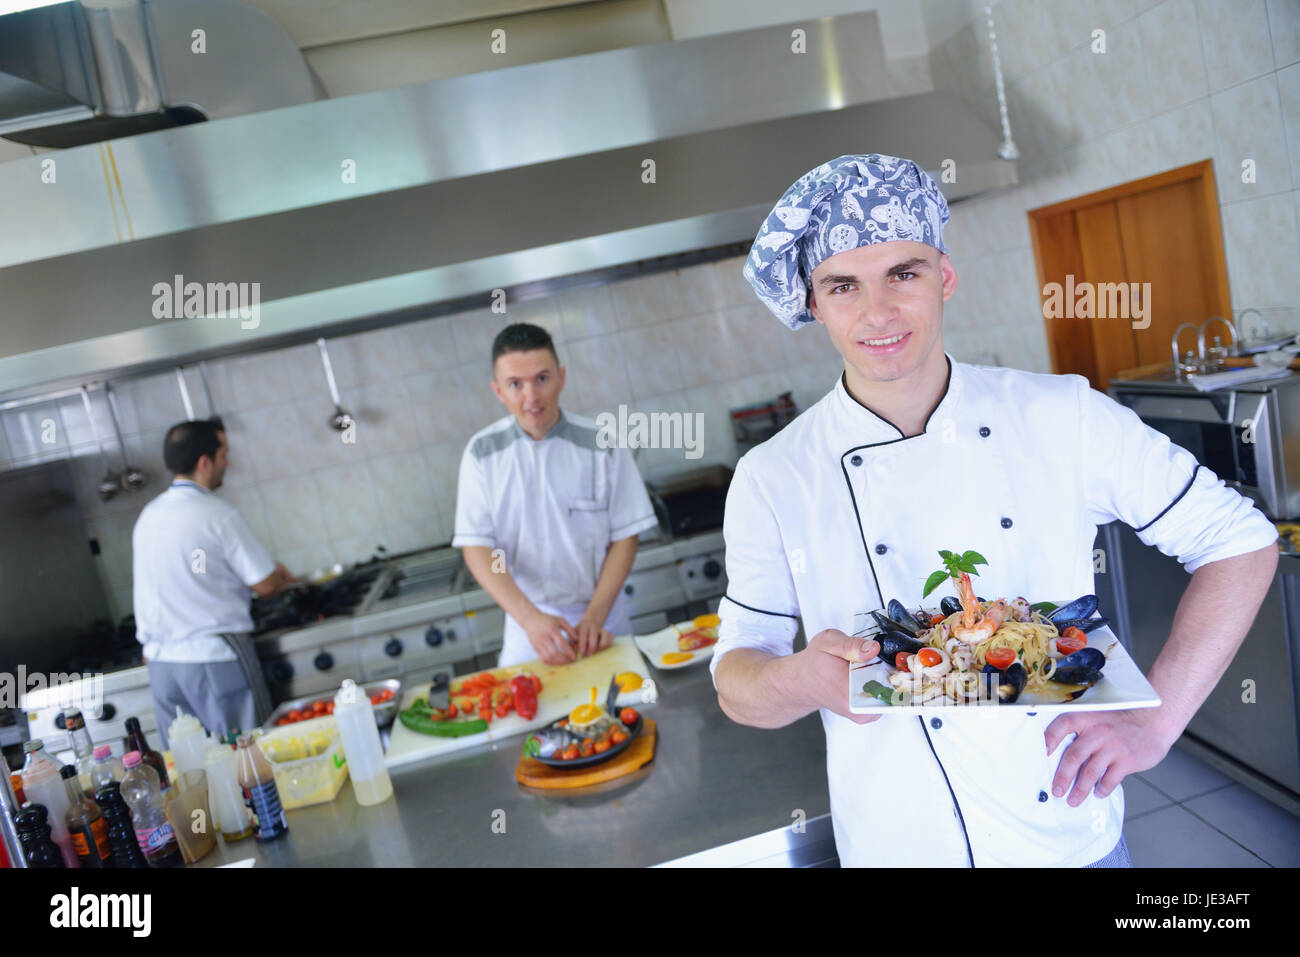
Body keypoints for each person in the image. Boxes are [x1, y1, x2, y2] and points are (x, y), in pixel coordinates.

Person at [711, 154, 1278, 867]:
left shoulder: (1060, 413)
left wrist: (1158, 717)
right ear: (814, 303)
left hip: (1068, 840)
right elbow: (736, 679)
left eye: (904, 274)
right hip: (894, 847)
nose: (877, 312)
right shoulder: (773, 475)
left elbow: (1241, 542)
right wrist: (801, 678)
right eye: (843, 285)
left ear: (945, 277)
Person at [454, 323, 659, 667]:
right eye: (515, 384)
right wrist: (531, 619)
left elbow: (626, 536)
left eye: (542, 378)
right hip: (528, 626)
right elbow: (477, 547)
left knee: (624, 713)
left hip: (602, 619)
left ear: (561, 377)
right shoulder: (481, 453)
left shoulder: (602, 443)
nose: (531, 396)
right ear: (498, 391)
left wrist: (595, 616)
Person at [132, 418, 296, 746]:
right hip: (213, 658)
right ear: (204, 462)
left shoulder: (148, 515)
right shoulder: (217, 513)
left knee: (191, 770)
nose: (228, 463)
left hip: (162, 665)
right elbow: (264, 585)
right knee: (248, 756)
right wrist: (280, 577)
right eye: (224, 454)